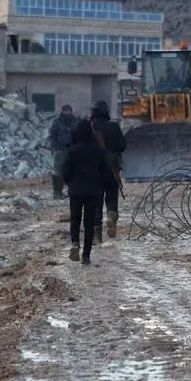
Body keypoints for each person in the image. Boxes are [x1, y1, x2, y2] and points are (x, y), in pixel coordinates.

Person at [61, 119, 111, 265]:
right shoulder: (98, 150)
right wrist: (99, 184)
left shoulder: (72, 150)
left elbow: (65, 171)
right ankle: (86, 256)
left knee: (75, 219)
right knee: (89, 222)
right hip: (92, 191)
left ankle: (75, 243)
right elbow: (105, 172)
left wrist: (69, 182)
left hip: (75, 191)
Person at [89, 100, 126, 241]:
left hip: (94, 169)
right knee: (112, 196)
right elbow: (122, 146)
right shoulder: (114, 126)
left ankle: (97, 234)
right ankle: (111, 215)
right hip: (112, 168)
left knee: (96, 202)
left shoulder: (88, 128)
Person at [48, 105, 76, 200]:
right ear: (62, 111)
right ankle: (57, 193)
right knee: (58, 171)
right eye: (65, 111)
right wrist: (55, 147)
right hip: (61, 149)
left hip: (72, 150)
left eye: (69, 111)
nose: (67, 112)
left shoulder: (74, 121)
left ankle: (72, 191)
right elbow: (52, 136)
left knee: (73, 171)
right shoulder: (57, 122)